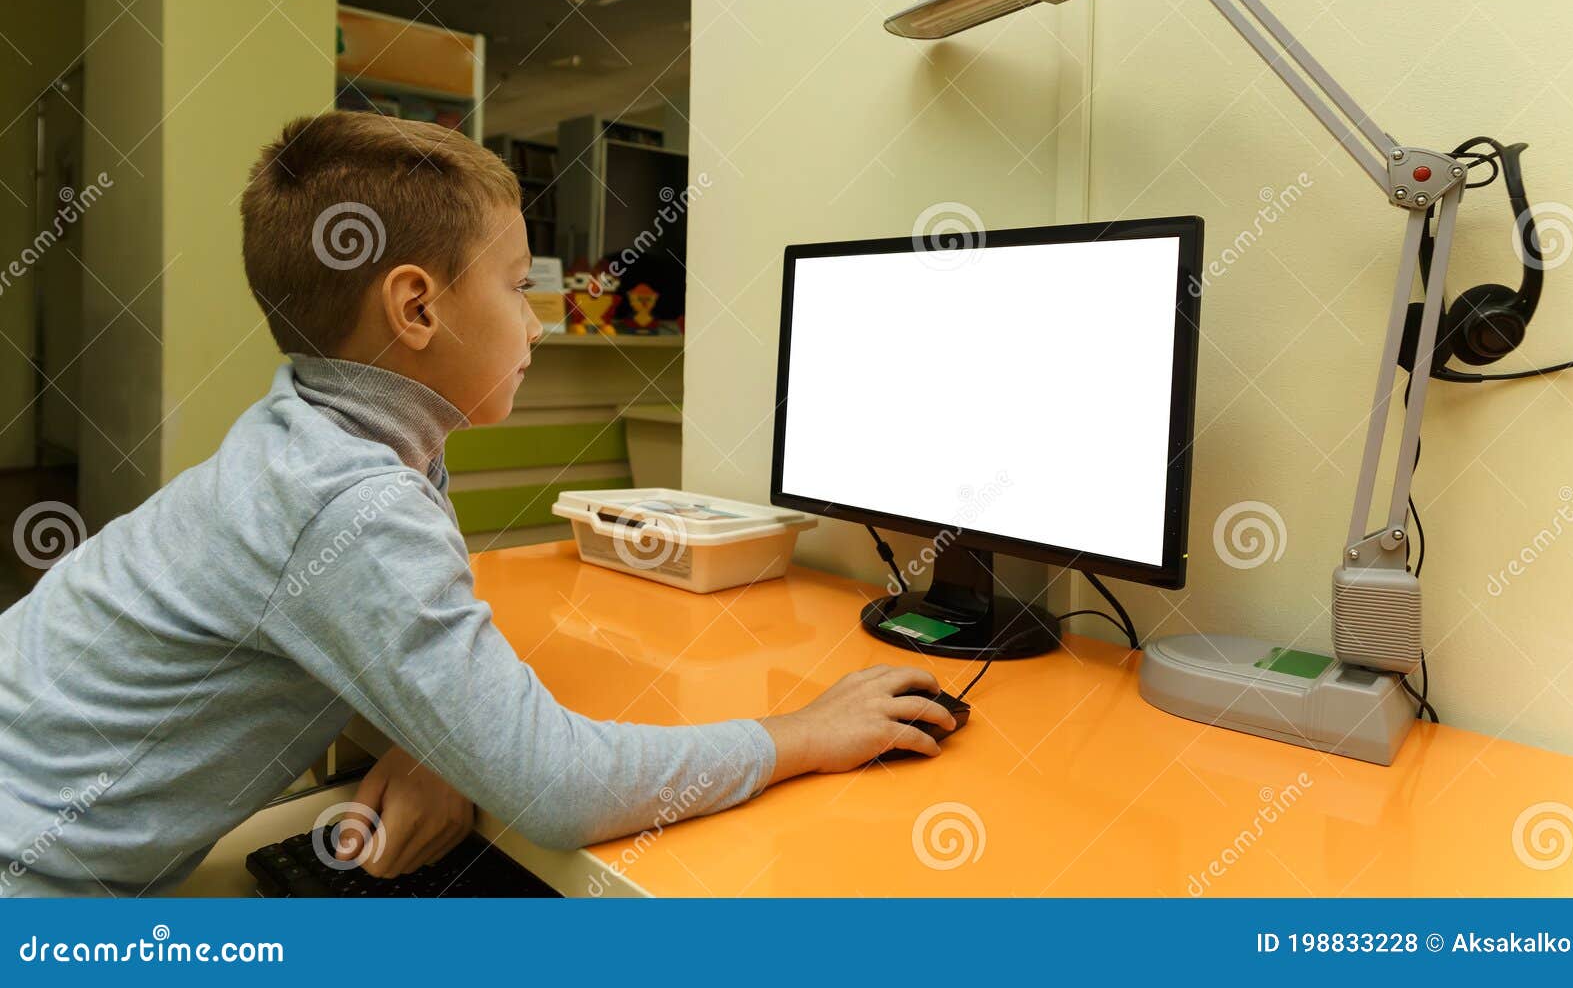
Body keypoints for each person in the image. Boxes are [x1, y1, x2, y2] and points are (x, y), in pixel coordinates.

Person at [0, 112, 954, 897]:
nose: (537, 320)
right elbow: (558, 788)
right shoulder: (350, 502)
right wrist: (803, 732)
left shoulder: (323, 431)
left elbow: (414, 636)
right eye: (516, 286)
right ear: (417, 308)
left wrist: (442, 746)